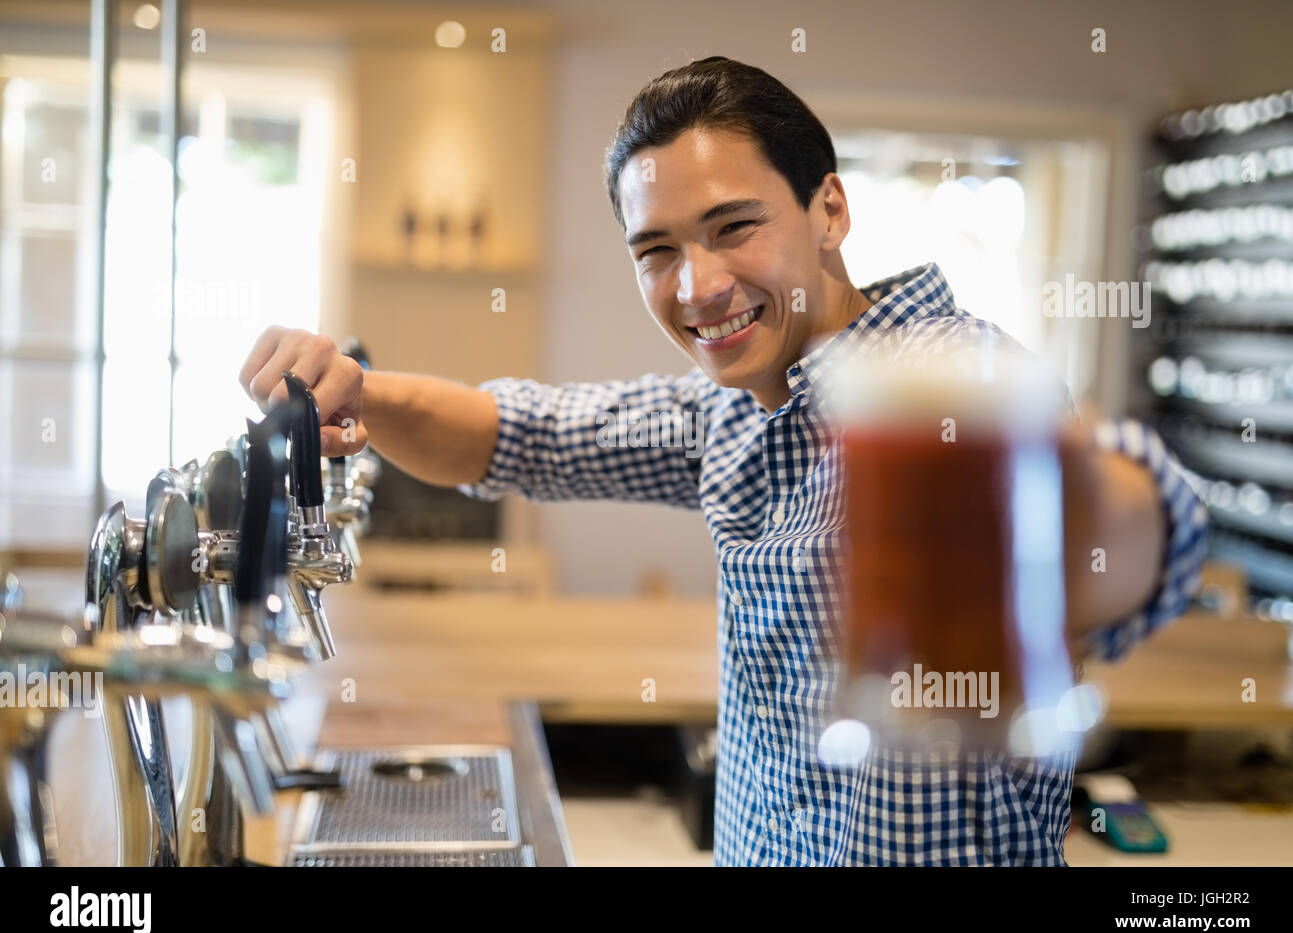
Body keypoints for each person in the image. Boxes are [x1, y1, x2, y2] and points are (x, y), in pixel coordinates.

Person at [240, 56, 1209, 865]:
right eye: (655, 249)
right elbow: (514, 432)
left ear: (828, 209)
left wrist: (1084, 516)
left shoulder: (956, 382)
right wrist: (360, 391)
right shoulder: (732, 414)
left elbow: (1137, 526)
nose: (696, 285)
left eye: (733, 227)